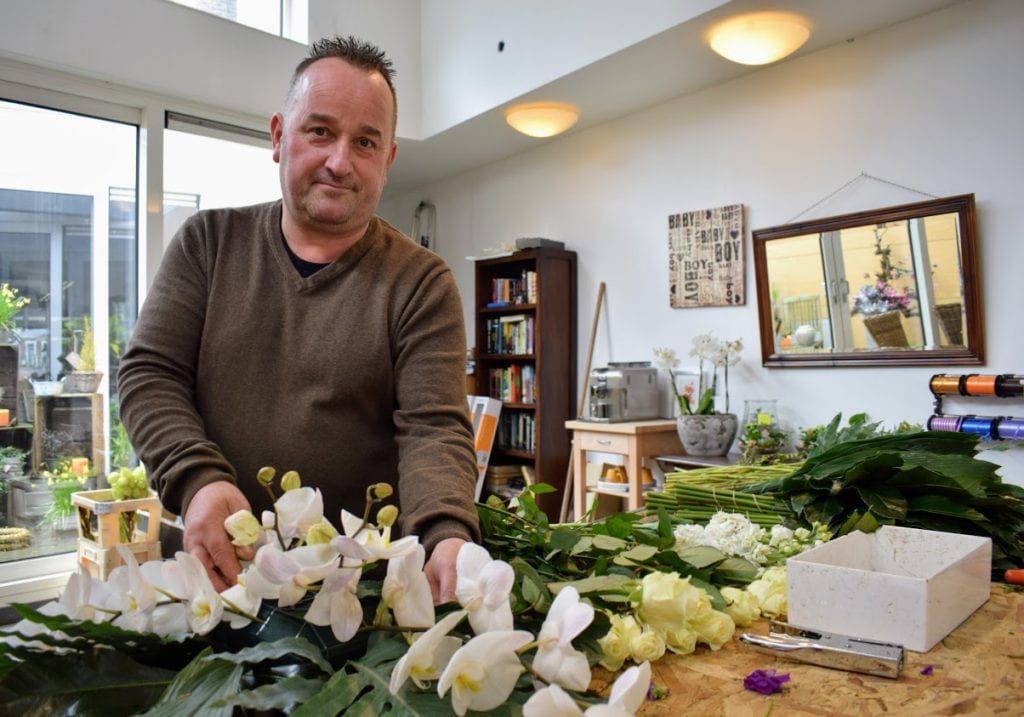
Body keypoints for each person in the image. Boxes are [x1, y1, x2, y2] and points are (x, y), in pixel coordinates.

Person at [117, 36, 479, 600]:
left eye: (364, 142)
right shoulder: (207, 244)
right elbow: (149, 376)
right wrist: (198, 480)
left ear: (387, 160)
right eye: (320, 131)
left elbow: (434, 428)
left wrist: (445, 533)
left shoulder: (421, 282)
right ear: (280, 136)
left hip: (355, 591)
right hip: (213, 569)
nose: (340, 161)